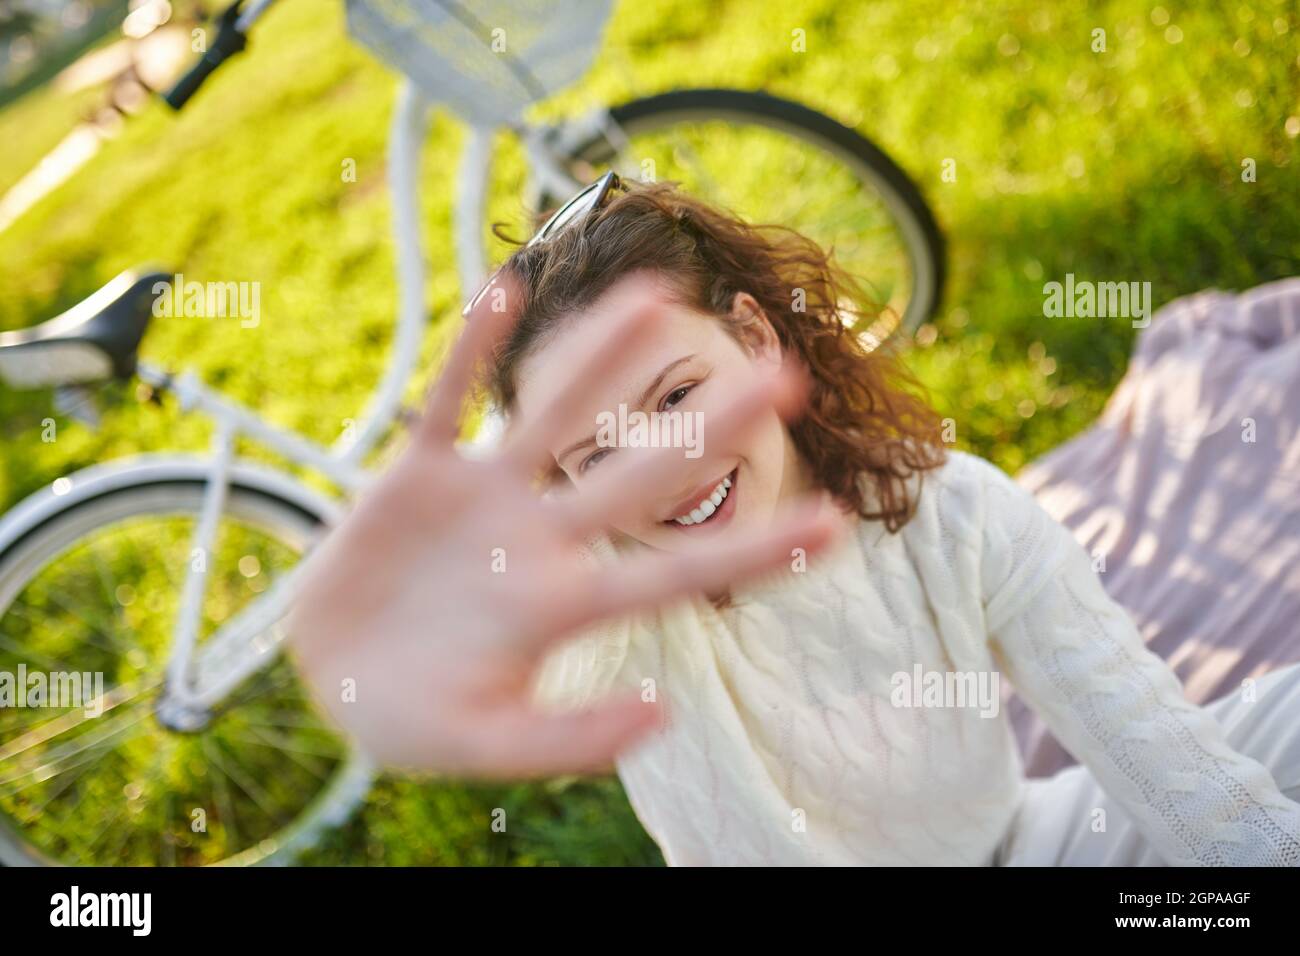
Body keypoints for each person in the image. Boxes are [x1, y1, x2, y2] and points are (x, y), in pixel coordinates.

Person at [288, 176, 1300, 866]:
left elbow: (1177, 776)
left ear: (752, 333)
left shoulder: (953, 511)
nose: (662, 473)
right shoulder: (616, 607)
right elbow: (507, 648)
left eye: (676, 397)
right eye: (599, 453)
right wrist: (396, 631)